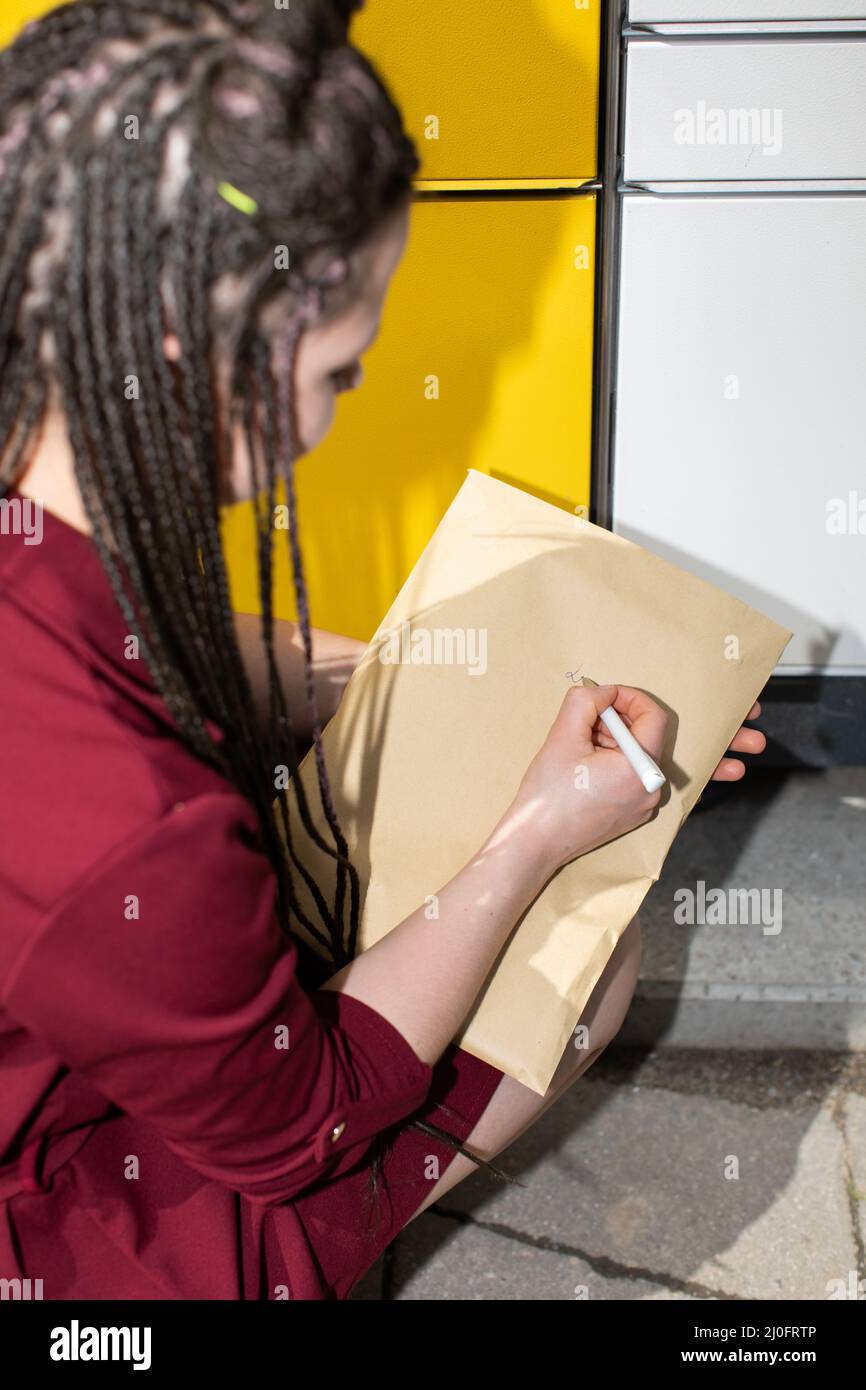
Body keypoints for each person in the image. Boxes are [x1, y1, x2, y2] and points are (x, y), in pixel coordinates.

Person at [0, 0, 766, 1301]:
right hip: (50, 1236)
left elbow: (105, 646)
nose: (338, 416)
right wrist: (532, 832)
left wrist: (424, 674)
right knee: (576, 958)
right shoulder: (126, 828)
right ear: (198, 357)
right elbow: (302, 1118)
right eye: (342, 373)